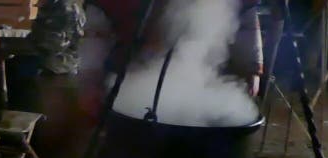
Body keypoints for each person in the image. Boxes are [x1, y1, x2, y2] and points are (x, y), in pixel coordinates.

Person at [88, 0, 264, 97]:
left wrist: (252, 69)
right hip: (131, 66)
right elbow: (97, 23)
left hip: (206, 69)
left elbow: (246, 19)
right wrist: (90, 75)